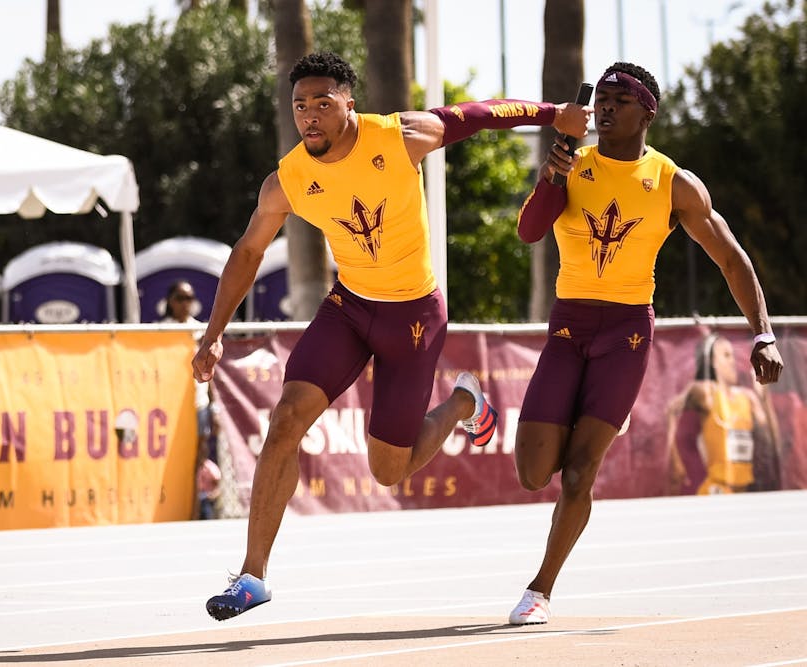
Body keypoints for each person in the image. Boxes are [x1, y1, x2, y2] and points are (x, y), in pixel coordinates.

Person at [191, 51, 591, 621]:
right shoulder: (289, 178)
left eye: (323, 104)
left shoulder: (401, 136)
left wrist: (554, 113)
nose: (310, 117)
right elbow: (248, 251)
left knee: (388, 471)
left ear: (349, 102)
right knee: (285, 420)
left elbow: (476, 114)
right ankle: (253, 575)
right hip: (350, 308)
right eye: (301, 106)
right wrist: (213, 334)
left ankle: (461, 403)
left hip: (413, 316)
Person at [511, 62, 784, 625]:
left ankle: (540, 589)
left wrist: (762, 332)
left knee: (580, 473)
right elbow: (529, 231)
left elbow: (732, 259)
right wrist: (549, 178)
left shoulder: (674, 183)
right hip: (568, 326)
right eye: (601, 98)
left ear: (647, 113)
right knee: (535, 473)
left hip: (628, 331)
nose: (605, 108)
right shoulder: (572, 162)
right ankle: (569, 414)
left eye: (619, 99)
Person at [666, 333, 781, 495]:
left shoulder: (748, 397)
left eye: (733, 356)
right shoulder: (706, 392)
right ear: (712, 362)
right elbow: (671, 410)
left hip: (745, 492)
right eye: (726, 356)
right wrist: (675, 461)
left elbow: (773, 441)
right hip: (716, 491)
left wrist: (765, 398)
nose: (732, 361)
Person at [162, 280, 220, 518]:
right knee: (174, 458)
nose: (185, 303)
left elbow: (210, 372)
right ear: (170, 301)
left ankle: (199, 508)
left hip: (198, 404)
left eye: (189, 298)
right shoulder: (161, 330)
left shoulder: (200, 330)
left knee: (200, 456)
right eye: (180, 298)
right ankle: (176, 505)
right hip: (171, 406)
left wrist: (214, 406)